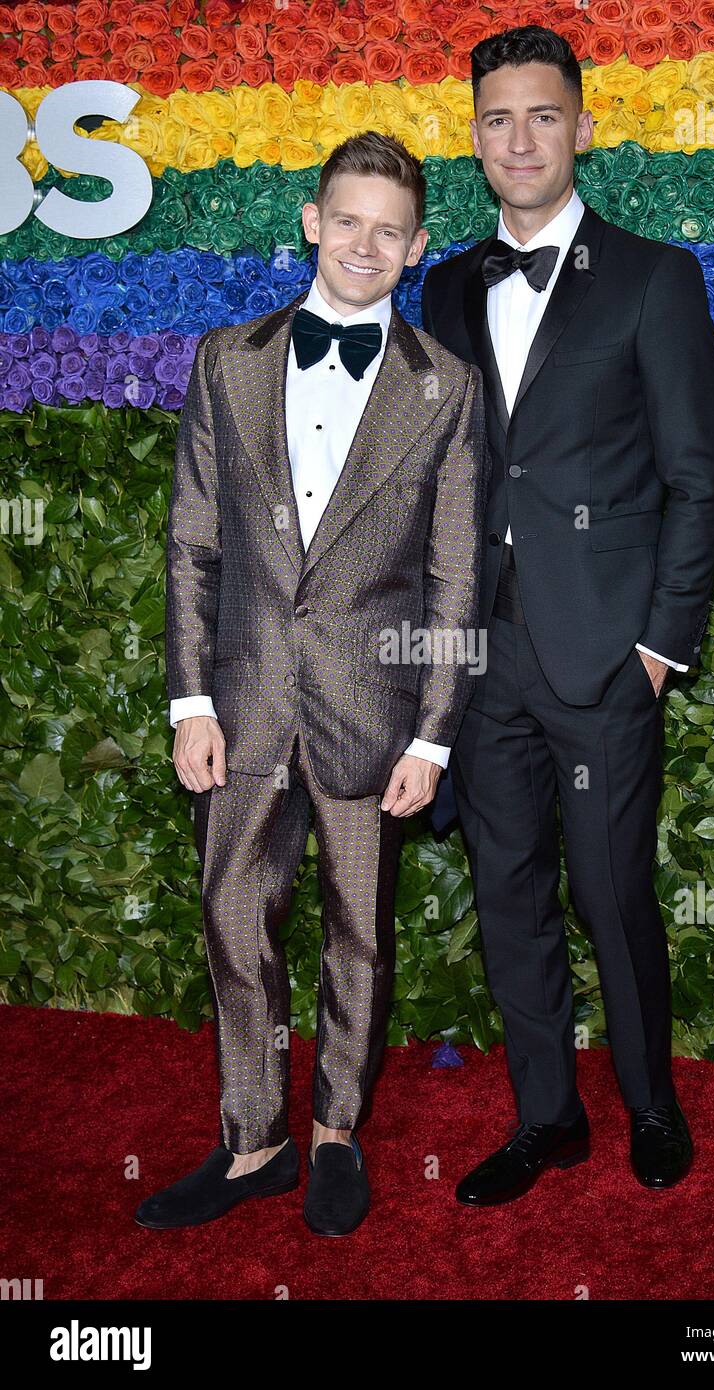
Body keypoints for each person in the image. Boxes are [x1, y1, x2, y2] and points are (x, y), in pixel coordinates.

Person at [136, 132, 489, 1237]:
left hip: (371, 712)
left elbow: (456, 576)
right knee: (232, 918)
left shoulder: (447, 388)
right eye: (348, 220)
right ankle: (254, 1142)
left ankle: (335, 1128)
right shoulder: (225, 361)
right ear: (310, 221)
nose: (365, 244)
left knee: (360, 933)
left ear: (417, 246)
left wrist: (432, 736)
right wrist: (189, 699)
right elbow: (192, 543)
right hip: (239, 703)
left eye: (390, 230)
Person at [422, 25, 714, 1205]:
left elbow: (697, 477)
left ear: (582, 128)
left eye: (541, 115)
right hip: (481, 655)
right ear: (474, 136)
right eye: (497, 117)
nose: (519, 138)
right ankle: (544, 1117)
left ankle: (650, 1101)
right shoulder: (444, 285)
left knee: (607, 893)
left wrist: (657, 647)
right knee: (508, 894)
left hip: (603, 653)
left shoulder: (653, 277)